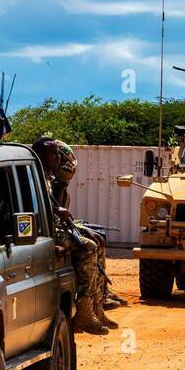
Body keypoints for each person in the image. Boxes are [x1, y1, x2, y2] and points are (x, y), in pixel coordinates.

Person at [31, 138, 116, 336]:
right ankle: (84, 309)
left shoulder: (47, 176)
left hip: (53, 226)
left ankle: (97, 306)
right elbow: (39, 208)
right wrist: (56, 209)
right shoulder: (36, 176)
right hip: (44, 230)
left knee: (97, 240)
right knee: (88, 248)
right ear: (43, 156)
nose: (58, 157)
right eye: (54, 153)